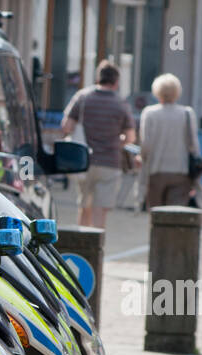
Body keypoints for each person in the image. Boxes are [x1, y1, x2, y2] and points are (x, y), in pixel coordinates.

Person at [61, 60, 135, 229]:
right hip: (109, 162)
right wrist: (117, 141)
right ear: (116, 82)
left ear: (98, 78)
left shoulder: (83, 97)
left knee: (84, 205)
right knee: (100, 211)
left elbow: (66, 126)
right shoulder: (121, 103)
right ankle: (96, 249)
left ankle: (82, 248)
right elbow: (130, 137)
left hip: (83, 161)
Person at [138, 73, 201, 209]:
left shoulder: (149, 113)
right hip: (181, 171)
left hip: (156, 171)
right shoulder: (187, 113)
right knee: (175, 216)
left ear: (157, 91)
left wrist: (141, 159)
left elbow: (145, 146)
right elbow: (194, 146)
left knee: (156, 216)